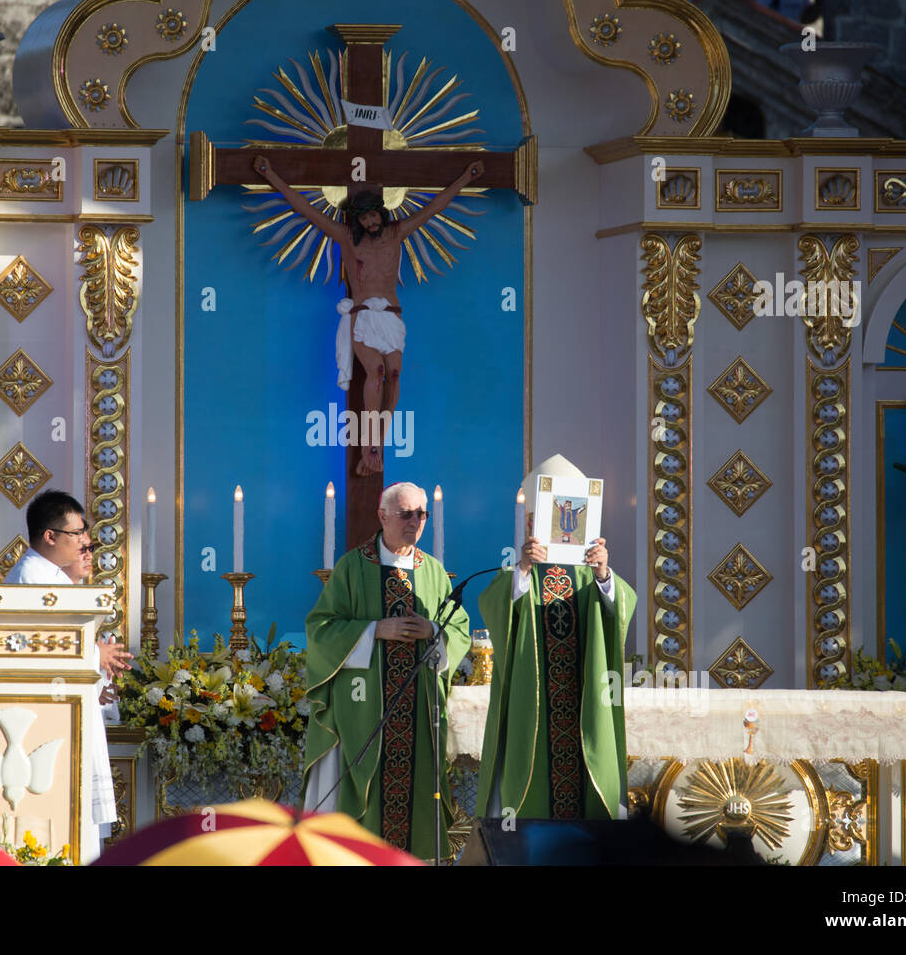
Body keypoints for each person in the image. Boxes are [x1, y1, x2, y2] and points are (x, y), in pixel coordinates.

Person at [253, 155, 484, 475]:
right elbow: (305, 210)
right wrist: (272, 175)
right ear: (356, 221)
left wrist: (465, 179)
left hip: (391, 316)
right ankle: (368, 448)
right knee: (375, 371)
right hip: (363, 316)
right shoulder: (346, 238)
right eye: (364, 220)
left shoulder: (397, 232)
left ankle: (380, 441)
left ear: (381, 212)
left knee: (395, 375)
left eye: (373, 216)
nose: (370, 223)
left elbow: (434, 209)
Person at [302, 481, 471, 859]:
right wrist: (375, 629)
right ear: (382, 516)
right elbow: (321, 629)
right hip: (365, 710)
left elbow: (458, 628)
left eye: (421, 515)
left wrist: (432, 631)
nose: (415, 522)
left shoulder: (433, 570)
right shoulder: (352, 566)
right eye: (406, 514)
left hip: (418, 715)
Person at [476, 454, 636, 821]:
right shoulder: (521, 573)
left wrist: (604, 573)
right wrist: (524, 569)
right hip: (534, 711)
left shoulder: (589, 572)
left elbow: (620, 609)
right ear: (531, 520)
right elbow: (494, 605)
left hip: (582, 701)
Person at [4, 489, 132, 848]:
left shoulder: (54, 576)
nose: (84, 544)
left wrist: (98, 667)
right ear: (50, 536)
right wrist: (96, 655)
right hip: (48, 715)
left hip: (68, 707)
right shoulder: (32, 575)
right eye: (77, 534)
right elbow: (38, 645)